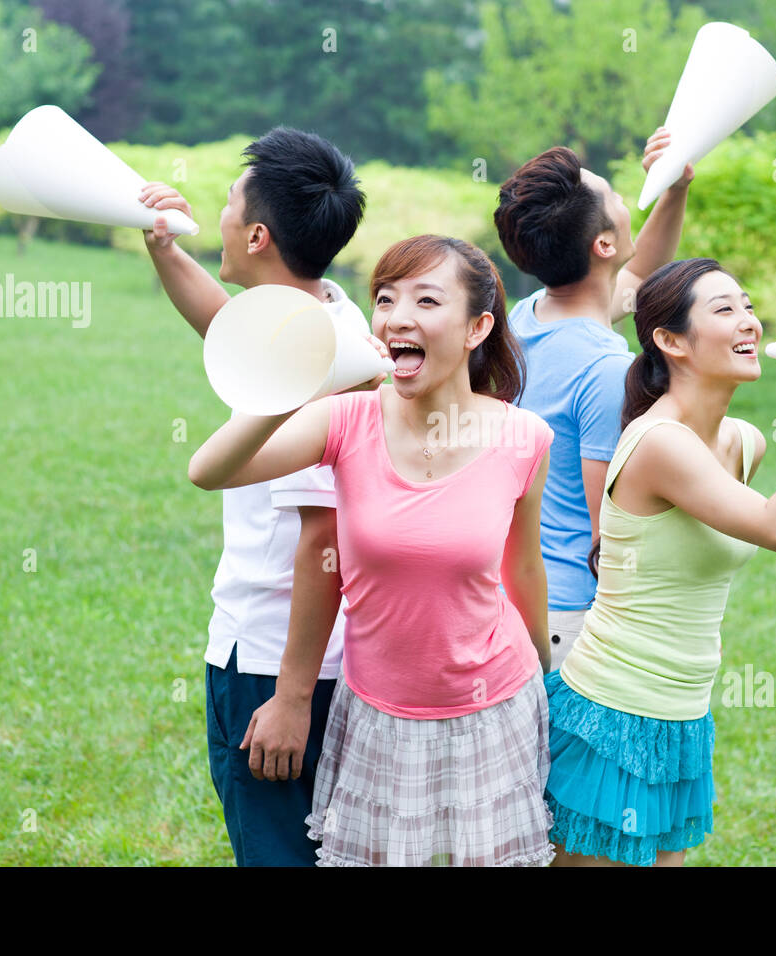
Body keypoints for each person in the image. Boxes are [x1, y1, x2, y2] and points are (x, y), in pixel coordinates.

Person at [188, 235, 557, 867]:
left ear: (478, 327)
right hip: (379, 717)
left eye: (426, 299)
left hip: (493, 708)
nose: (397, 316)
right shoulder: (347, 421)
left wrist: (549, 686)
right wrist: (298, 383)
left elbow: (523, 567)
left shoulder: (524, 438)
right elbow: (211, 468)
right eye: (385, 299)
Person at [544, 257, 776, 866]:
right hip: (613, 713)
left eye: (748, 305)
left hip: (681, 717)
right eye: (725, 310)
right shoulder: (659, 444)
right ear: (670, 341)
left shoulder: (743, 442)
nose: (750, 324)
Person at [139, 126, 367, 866]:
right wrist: (165, 250)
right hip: (304, 658)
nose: (223, 220)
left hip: (279, 663)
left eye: (230, 207)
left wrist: (293, 697)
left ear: (260, 234)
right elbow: (223, 329)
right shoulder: (323, 318)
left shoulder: (317, 364)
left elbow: (324, 539)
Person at [494, 128, 693, 670]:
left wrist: (675, 191)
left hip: (521, 596)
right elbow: (608, 528)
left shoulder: (527, 317)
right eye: (616, 198)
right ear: (603, 245)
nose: (628, 202)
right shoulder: (604, 371)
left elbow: (637, 274)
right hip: (574, 618)